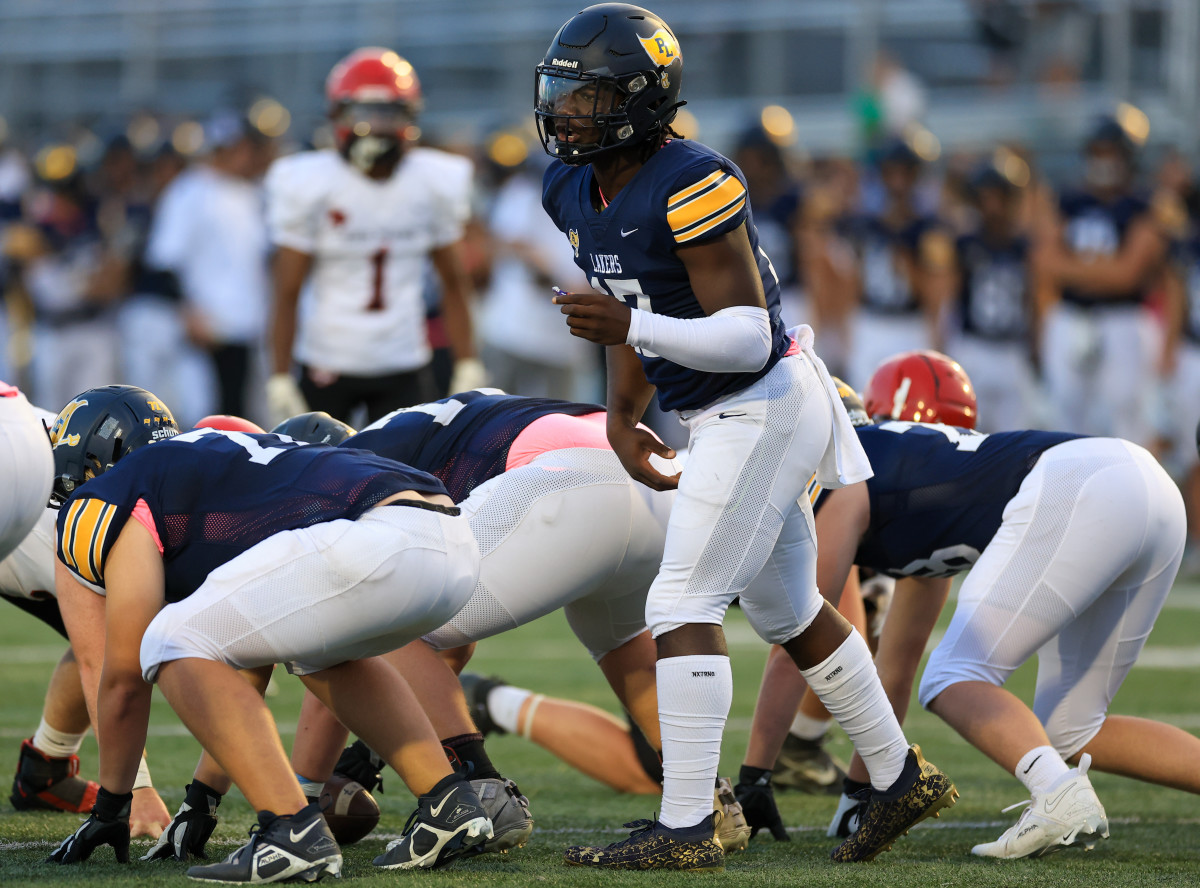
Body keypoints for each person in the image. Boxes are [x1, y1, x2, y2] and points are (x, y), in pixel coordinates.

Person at [536, 4, 955, 869]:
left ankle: (688, 824)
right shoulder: (571, 188)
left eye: (590, 96)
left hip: (761, 397)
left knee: (682, 603)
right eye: (564, 93)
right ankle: (898, 774)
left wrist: (631, 335)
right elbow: (629, 303)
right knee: (787, 609)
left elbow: (744, 333)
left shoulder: (694, 178)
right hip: (720, 406)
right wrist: (622, 415)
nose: (567, 111)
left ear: (642, 101)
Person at [743, 357, 1192, 860]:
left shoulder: (847, 473)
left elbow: (799, 637)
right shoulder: (921, 483)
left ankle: (1058, 795)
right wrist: (861, 793)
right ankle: (1059, 783)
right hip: (1147, 489)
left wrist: (754, 777)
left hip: (1084, 483)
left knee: (954, 677)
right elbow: (892, 670)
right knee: (1071, 729)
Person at [43, 385, 492, 882]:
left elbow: (125, 676)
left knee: (165, 640)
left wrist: (111, 805)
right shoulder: (210, 466)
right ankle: (448, 802)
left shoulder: (121, 488)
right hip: (448, 536)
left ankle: (291, 831)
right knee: (319, 654)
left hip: (376, 537)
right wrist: (201, 802)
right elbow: (251, 658)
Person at [265, 47, 485, 428]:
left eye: (387, 114)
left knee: (401, 478)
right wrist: (280, 373)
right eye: (363, 114)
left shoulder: (430, 182)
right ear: (337, 116)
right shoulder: (310, 184)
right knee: (320, 480)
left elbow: (454, 281)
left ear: (409, 117)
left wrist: (467, 359)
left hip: (403, 360)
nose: (375, 127)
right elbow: (287, 289)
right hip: (327, 359)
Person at [1035, 116, 1169, 446]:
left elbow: (1128, 274)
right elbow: (1043, 262)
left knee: (1128, 416)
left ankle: (1135, 496)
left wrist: (1075, 267)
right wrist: (1102, 269)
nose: (1103, 160)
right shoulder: (1069, 200)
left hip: (1123, 320)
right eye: (1097, 151)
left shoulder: (1145, 204)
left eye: (1111, 152)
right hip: (1071, 316)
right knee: (1064, 417)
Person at [946, 164, 1041, 432]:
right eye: (986, 198)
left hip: (1013, 348)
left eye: (999, 197)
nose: (992, 206)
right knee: (967, 433)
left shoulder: (1025, 246)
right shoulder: (964, 244)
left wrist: (1036, 345)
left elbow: (1035, 298)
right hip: (974, 345)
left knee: (1016, 435)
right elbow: (947, 294)